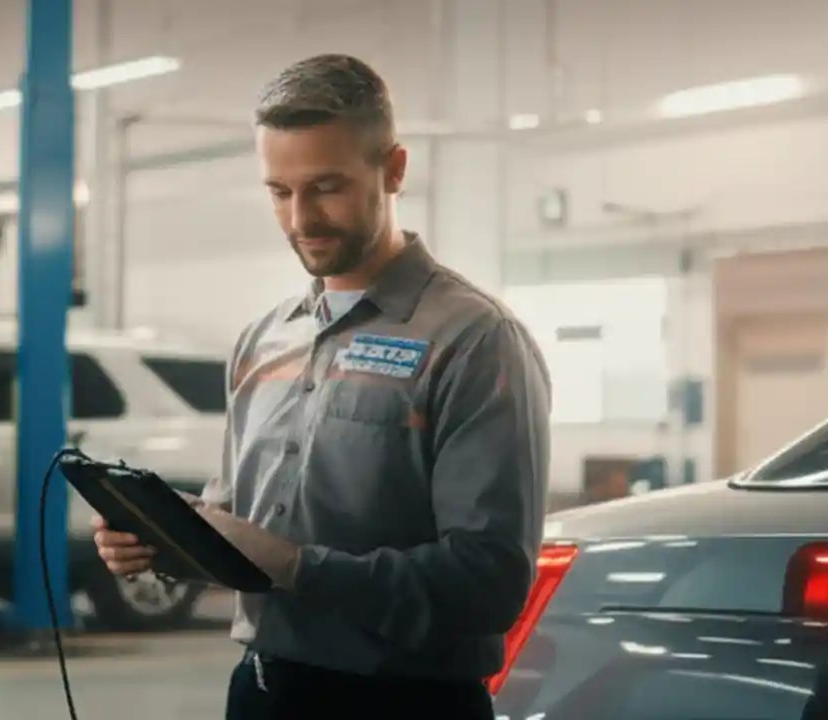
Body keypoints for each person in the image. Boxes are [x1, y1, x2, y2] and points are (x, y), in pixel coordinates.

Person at [92, 53, 551, 719]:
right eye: (279, 192)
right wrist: (164, 539)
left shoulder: (474, 341)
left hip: (405, 704)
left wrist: (295, 565)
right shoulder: (264, 340)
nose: (301, 218)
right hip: (262, 691)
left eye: (327, 187)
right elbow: (243, 535)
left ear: (394, 170)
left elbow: (489, 582)